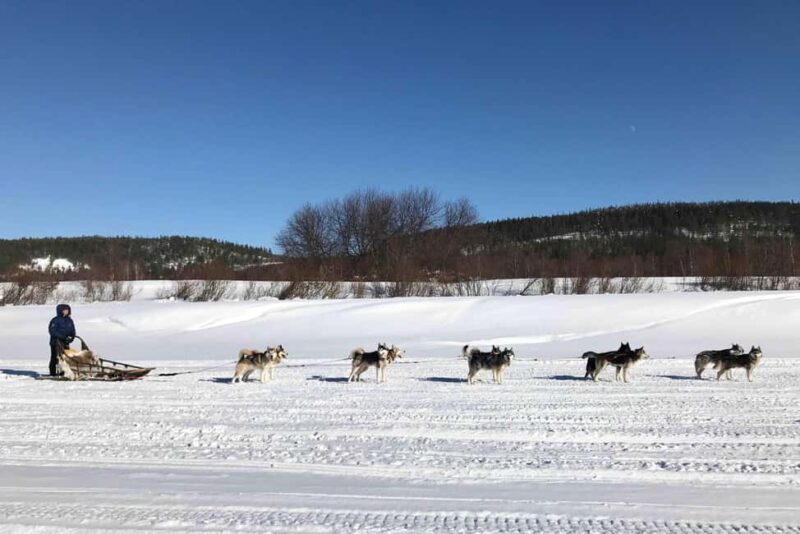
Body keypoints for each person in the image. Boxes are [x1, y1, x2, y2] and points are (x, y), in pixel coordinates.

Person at [48, 304, 76, 376]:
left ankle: (64, 372)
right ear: (61, 311)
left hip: (66, 342)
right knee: (55, 357)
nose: (66, 312)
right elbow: (52, 331)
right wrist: (63, 337)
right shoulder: (55, 320)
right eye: (65, 310)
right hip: (55, 342)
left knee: (66, 357)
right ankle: (53, 373)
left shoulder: (70, 320)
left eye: (67, 310)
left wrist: (71, 337)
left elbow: (73, 331)